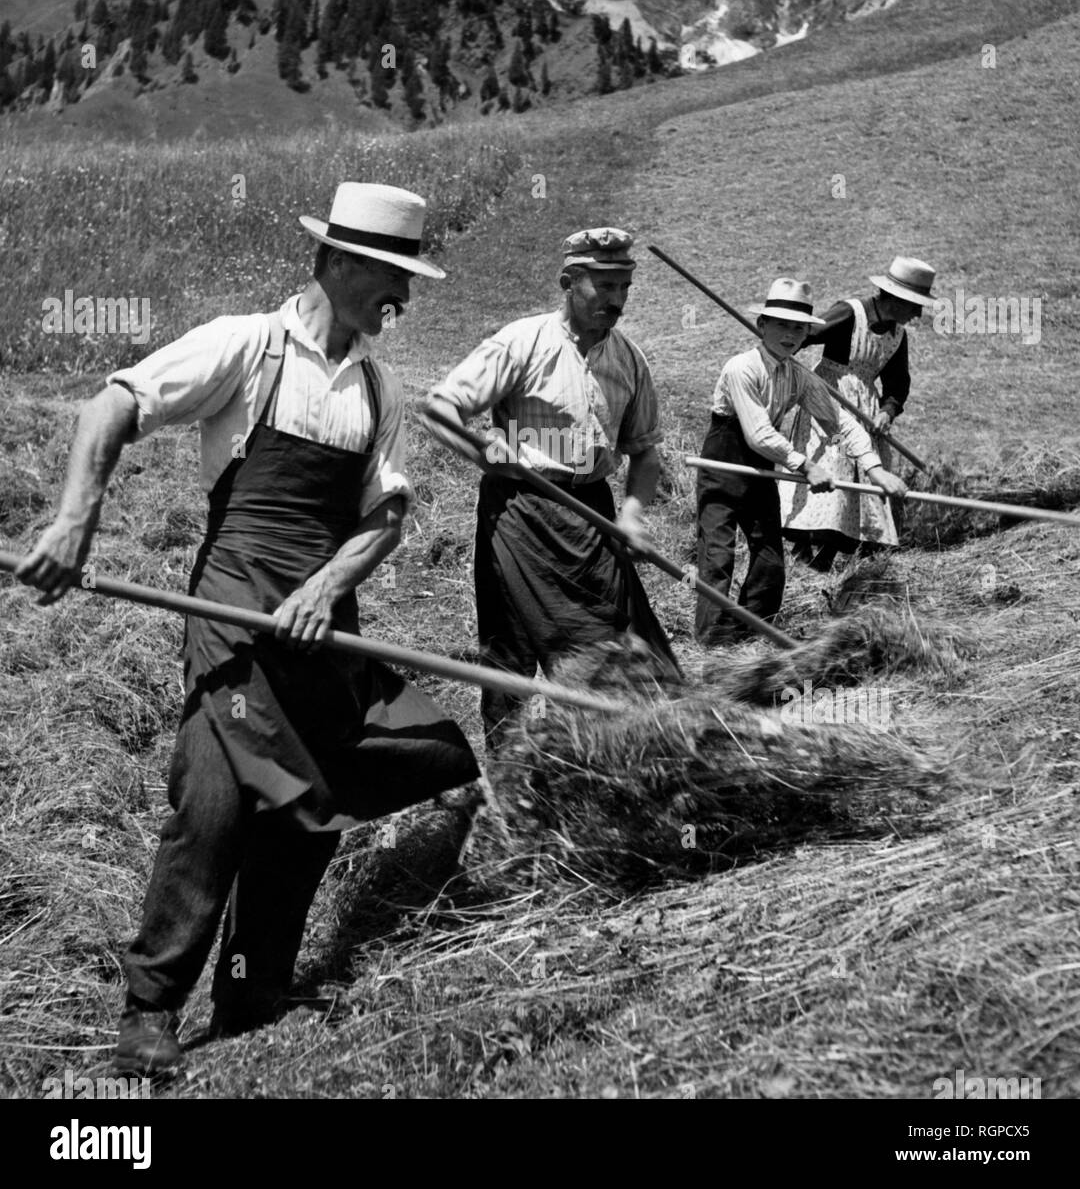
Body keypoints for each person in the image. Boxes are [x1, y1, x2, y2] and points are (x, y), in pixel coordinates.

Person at [16, 182, 478, 1075]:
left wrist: (327, 586)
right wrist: (74, 520)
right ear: (339, 262)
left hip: (320, 626)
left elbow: (386, 516)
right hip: (231, 611)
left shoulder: (379, 386)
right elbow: (110, 406)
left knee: (310, 806)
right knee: (216, 805)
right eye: (393, 275)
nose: (405, 298)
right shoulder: (247, 347)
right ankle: (150, 1011)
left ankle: (253, 985)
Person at [421, 226, 679, 749]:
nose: (617, 300)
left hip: (593, 514)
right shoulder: (523, 341)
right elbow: (439, 409)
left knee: (613, 646)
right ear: (568, 281)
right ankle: (507, 770)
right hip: (521, 512)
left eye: (624, 287)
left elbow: (645, 451)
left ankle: (604, 757)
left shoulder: (629, 360)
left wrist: (631, 514)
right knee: (510, 650)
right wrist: (489, 454)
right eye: (603, 287)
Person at [695, 277, 909, 645]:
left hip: (762, 473)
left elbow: (842, 422)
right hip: (723, 470)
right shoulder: (740, 368)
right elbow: (759, 434)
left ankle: (751, 638)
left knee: (770, 563)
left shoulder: (800, 377)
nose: (790, 335)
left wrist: (875, 470)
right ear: (762, 325)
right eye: (781, 325)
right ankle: (711, 644)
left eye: (799, 328)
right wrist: (806, 465)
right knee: (718, 558)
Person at [781, 256, 936, 572]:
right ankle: (801, 549)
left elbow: (897, 383)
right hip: (827, 402)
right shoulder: (850, 313)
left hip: (864, 411)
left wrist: (886, 412)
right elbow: (807, 335)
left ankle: (825, 557)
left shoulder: (897, 336)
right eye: (915, 305)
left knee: (859, 475)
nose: (918, 314)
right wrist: (783, 351)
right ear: (897, 298)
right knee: (834, 465)